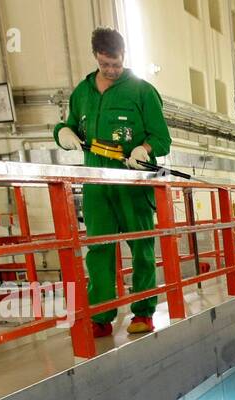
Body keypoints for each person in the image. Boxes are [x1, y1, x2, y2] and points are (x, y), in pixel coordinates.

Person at [53, 27, 172, 336]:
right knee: (99, 251)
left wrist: (143, 149)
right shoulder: (82, 93)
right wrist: (62, 134)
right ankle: (100, 317)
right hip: (96, 186)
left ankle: (144, 312)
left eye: (116, 64)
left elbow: (162, 139)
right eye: (106, 64)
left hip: (133, 185)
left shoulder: (142, 91)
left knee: (142, 249)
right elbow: (68, 126)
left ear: (124, 56)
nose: (111, 70)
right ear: (96, 57)